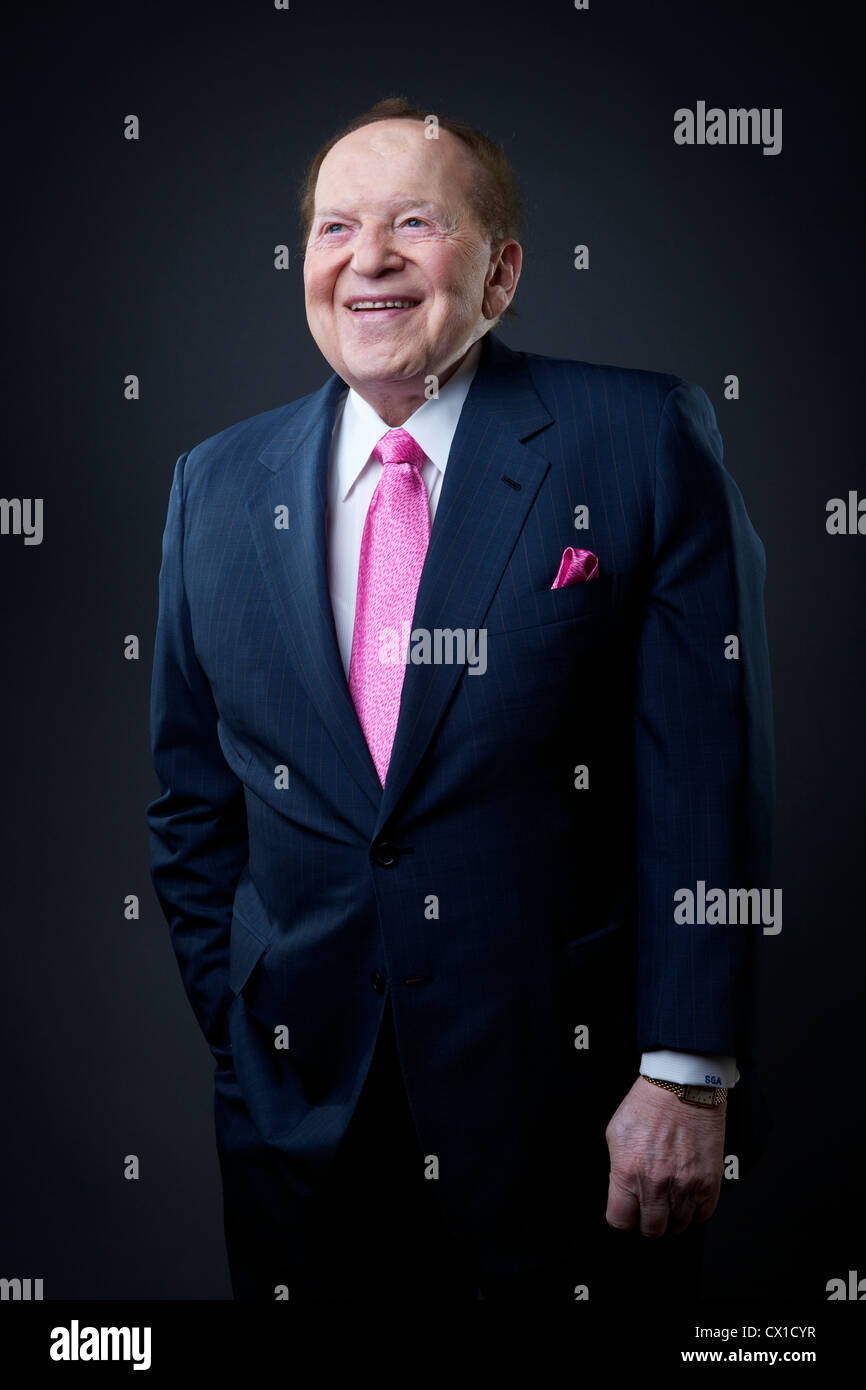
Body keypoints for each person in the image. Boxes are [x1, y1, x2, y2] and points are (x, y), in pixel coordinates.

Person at [146, 97, 774, 1303]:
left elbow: (709, 770)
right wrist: (250, 1038)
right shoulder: (213, 486)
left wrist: (684, 1074)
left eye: (414, 223)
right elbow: (189, 808)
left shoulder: (636, 438)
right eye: (335, 227)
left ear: (498, 272)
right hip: (301, 1136)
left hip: (579, 1129)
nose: (366, 259)